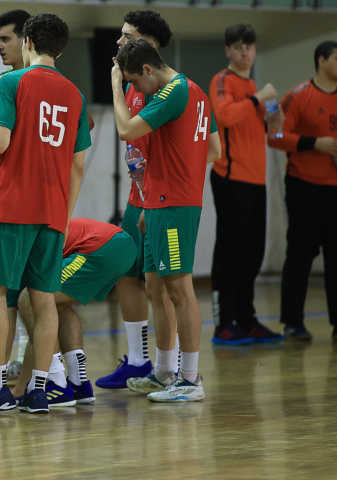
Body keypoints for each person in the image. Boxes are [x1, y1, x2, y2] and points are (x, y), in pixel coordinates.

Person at [0, 13, 90, 415]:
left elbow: (1, 142)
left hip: (11, 208)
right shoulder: (74, 94)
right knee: (43, 300)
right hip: (52, 212)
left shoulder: (12, 82)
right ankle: (39, 390)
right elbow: (77, 165)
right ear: (60, 48)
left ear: (28, 41)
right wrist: (64, 215)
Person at [112, 38, 221, 402]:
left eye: (133, 81)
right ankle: (163, 372)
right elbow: (213, 149)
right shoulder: (194, 92)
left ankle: (189, 379)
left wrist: (114, 85)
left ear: (147, 69)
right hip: (158, 201)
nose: (134, 90)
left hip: (174, 203)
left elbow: (127, 130)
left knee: (179, 288)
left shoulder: (175, 91)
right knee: (155, 286)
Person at [0, 218, 138, 406]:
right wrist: (20, 387)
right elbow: (37, 334)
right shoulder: (11, 259)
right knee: (52, 305)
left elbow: (3, 339)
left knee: (30, 300)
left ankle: (57, 382)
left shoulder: (3, 277)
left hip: (100, 247)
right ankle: (79, 384)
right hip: (119, 244)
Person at [96, 10, 179, 389]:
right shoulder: (133, 84)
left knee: (162, 284)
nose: (118, 41)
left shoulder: (170, 88)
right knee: (126, 275)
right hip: (137, 195)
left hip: (161, 198)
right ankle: (138, 360)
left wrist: (154, 181)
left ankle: (173, 366)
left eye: (127, 36)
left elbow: (206, 149)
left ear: (149, 46)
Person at [268, 42, 337, 343]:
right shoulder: (299, 95)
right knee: (300, 254)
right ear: (321, 61)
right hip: (305, 187)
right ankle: (293, 324)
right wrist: (316, 143)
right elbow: (276, 136)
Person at [207, 24, 285, 345]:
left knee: (252, 253)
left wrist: (275, 121)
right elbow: (224, 116)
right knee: (230, 251)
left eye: (249, 47)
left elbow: (272, 135)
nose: (245, 53)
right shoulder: (223, 80)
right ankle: (224, 323)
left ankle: (247, 319)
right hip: (230, 177)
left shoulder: (253, 85)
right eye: (238, 47)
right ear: (228, 50)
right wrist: (258, 98)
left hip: (255, 179)